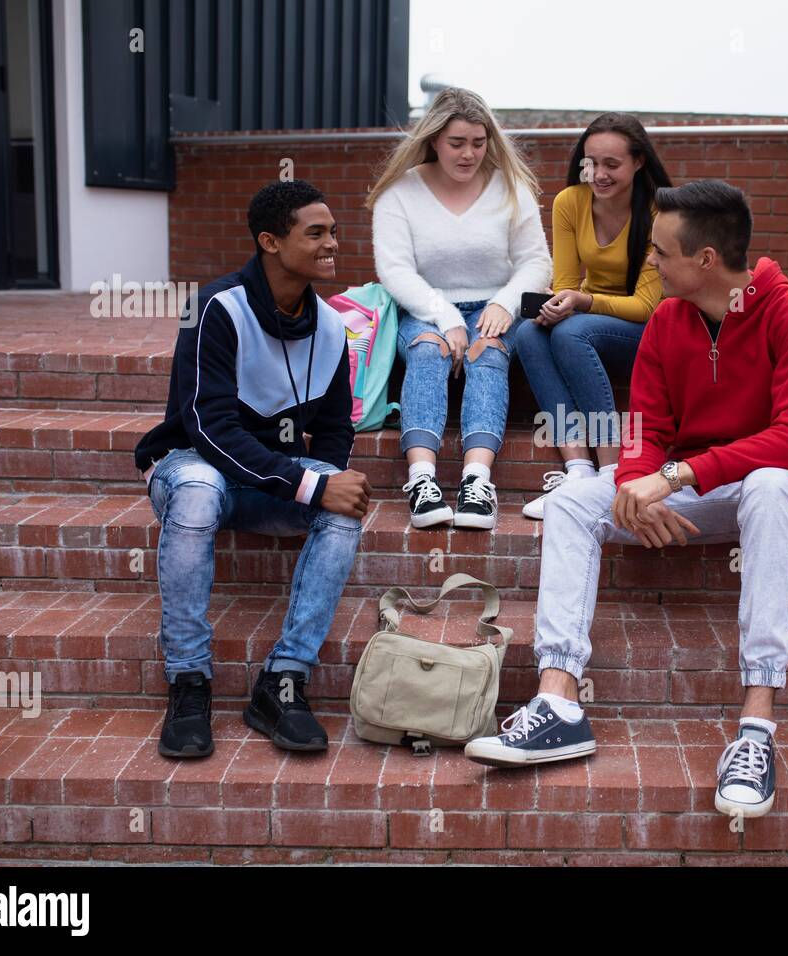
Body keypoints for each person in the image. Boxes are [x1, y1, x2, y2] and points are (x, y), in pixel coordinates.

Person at [465, 180, 788, 819]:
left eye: (661, 253)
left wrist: (676, 478)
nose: (650, 264)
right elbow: (647, 429)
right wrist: (636, 486)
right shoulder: (669, 320)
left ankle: (756, 729)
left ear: (704, 261)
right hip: (702, 488)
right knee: (570, 502)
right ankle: (559, 702)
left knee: (771, 483)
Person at [135, 179, 371, 759]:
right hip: (193, 464)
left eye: (334, 232)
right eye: (315, 233)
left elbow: (337, 426)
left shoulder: (332, 326)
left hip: (269, 478)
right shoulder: (214, 307)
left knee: (343, 516)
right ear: (270, 241)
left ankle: (282, 683)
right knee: (195, 493)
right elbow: (209, 426)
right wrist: (311, 483)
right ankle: (189, 683)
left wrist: (325, 479)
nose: (331, 244)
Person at [368, 87, 552, 530]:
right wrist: (446, 317)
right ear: (433, 140)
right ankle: (422, 481)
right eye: (457, 143)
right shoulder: (401, 192)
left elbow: (536, 262)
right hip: (426, 308)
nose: (469, 154)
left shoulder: (511, 188)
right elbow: (394, 270)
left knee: (486, 353)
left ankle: (477, 482)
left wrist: (506, 303)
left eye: (478, 142)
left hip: (494, 306)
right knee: (429, 351)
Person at [513, 113, 671, 519]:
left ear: (638, 162)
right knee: (530, 334)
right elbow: (566, 281)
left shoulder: (658, 211)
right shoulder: (570, 202)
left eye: (611, 165)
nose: (598, 174)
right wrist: (558, 304)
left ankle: (613, 468)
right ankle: (579, 470)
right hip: (589, 323)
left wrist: (581, 303)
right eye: (591, 163)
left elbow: (648, 307)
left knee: (572, 333)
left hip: (646, 332)